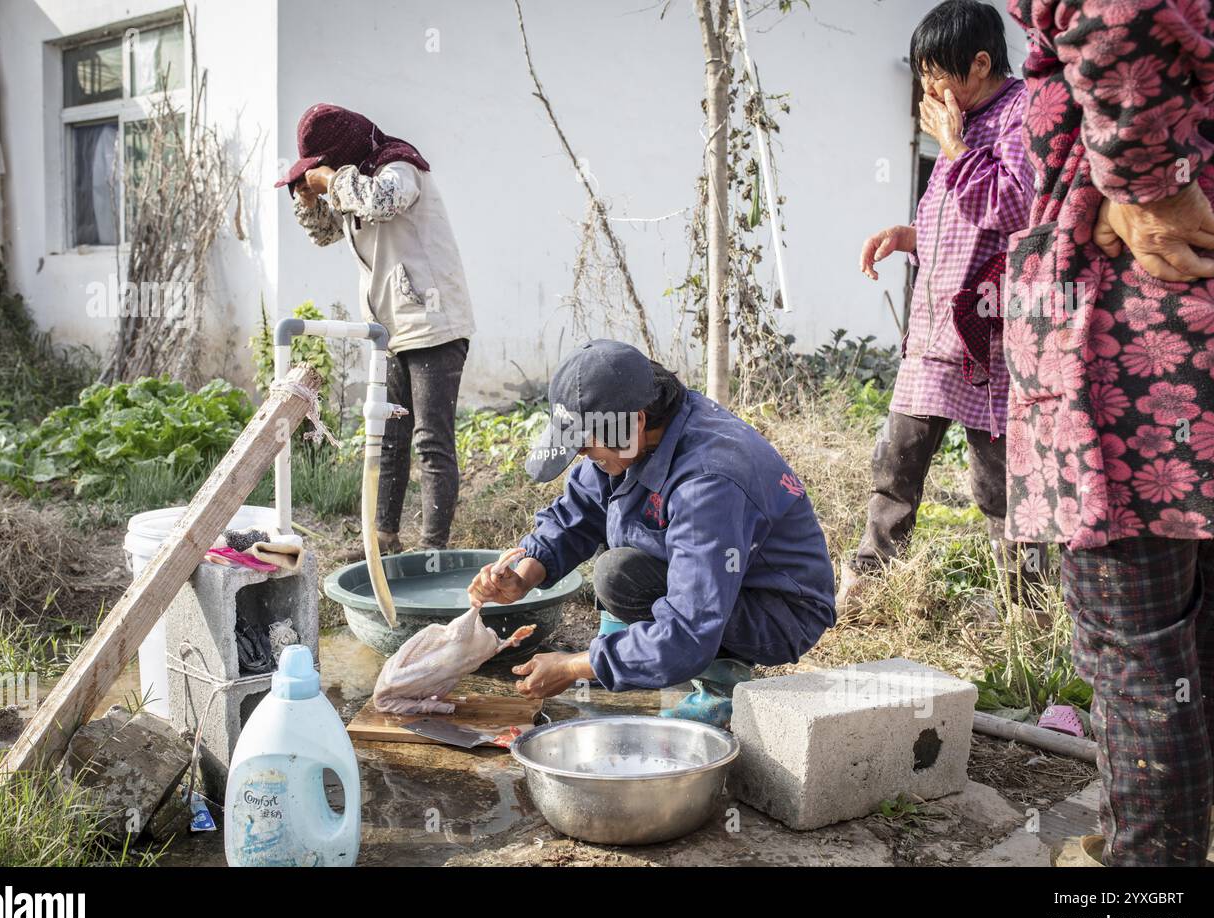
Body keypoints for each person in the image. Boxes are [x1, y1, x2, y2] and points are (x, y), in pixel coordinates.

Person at [1005, 0, 1214, 867]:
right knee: (1212, 626)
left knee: (1138, 647)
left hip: (1139, 325)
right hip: (1210, 307)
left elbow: (1113, 8)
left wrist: (1148, 186)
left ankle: (1143, 890)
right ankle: (1176, 851)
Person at [465, 340, 836, 727]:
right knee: (619, 572)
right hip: (728, 580)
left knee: (623, 579)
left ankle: (721, 690)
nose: (582, 455)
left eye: (585, 444)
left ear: (636, 422)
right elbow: (581, 509)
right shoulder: (633, 428)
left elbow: (689, 631)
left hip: (779, 611)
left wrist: (575, 666)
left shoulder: (709, 481)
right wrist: (526, 573)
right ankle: (637, 652)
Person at [843, 0, 1036, 617]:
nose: (926, 90)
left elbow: (1009, 209)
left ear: (980, 64)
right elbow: (955, 227)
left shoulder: (1021, 115)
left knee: (998, 484)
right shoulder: (960, 121)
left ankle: (1024, 608)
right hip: (933, 338)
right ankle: (867, 586)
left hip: (990, 340)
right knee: (895, 463)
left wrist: (951, 145)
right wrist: (907, 236)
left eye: (935, 75)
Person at [276, 104, 475, 552]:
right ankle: (383, 537)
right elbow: (327, 234)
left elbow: (380, 202)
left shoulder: (399, 167)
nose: (323, 175)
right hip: (388, 329)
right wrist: (309, 200)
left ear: (342, 153)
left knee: (431, 442)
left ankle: (432, 550)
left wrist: (333, 181)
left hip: (433, 323)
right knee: (387, 437)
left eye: (323, 164)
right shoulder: (357, 183)